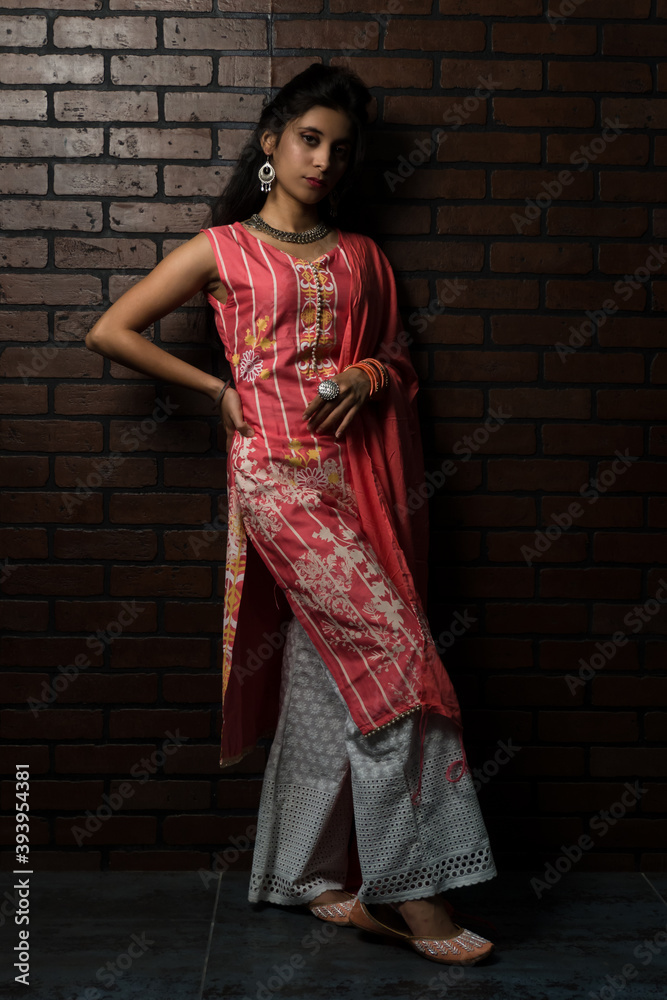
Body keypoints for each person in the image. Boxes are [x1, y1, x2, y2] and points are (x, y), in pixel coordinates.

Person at [85, 63, 497, 966]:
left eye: (339, 149)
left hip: (361, 488)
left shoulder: (360, 256)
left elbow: (396, 357)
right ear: (271, 141)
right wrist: (215, 391)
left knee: (326, 672)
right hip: (275, 482)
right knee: (397, 666)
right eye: (308, 139)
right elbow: (109, 330)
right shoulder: (222, 248)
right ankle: (411, 895)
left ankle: (309, 875)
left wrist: (369, 374)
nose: (323, 159)